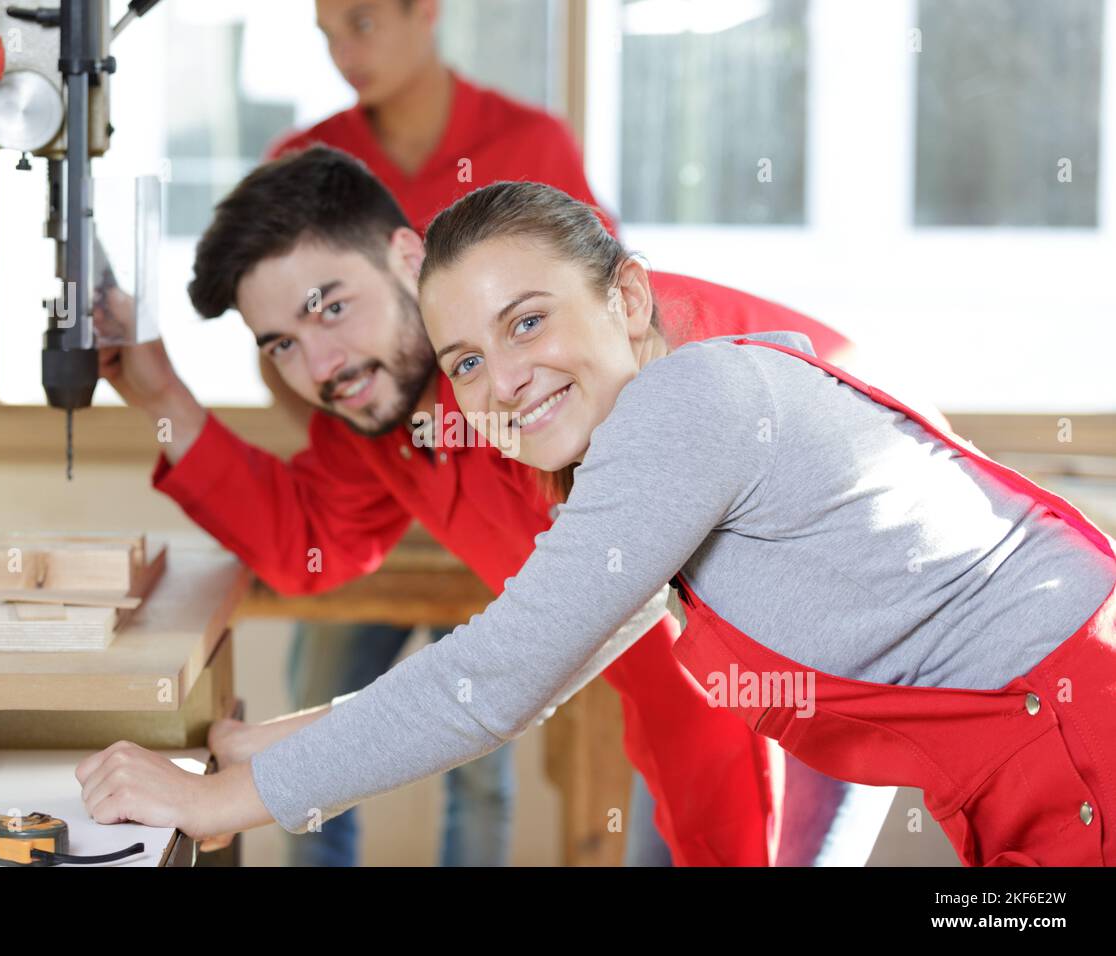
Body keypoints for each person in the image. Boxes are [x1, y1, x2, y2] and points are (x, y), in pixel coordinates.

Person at [80, 179, 1116, 867]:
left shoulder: (677, 403)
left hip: (1072, 748)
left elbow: (493, 680)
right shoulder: (612, 426)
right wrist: (279, 747)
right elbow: (529, 661)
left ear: (626, 296)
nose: (504, 379)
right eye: (470, 361)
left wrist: (216, 802)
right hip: (1014, 762)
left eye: (528, 321)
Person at [255, 0, 618, 866]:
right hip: (373, 517)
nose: (346, 52)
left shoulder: (534, 144)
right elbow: (278, 354)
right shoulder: (302, 164)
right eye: (327, 34)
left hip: (512, 517)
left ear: (428, 10)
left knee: (477, 752)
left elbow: (600, 332)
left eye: (362, 23)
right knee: (317, 749)